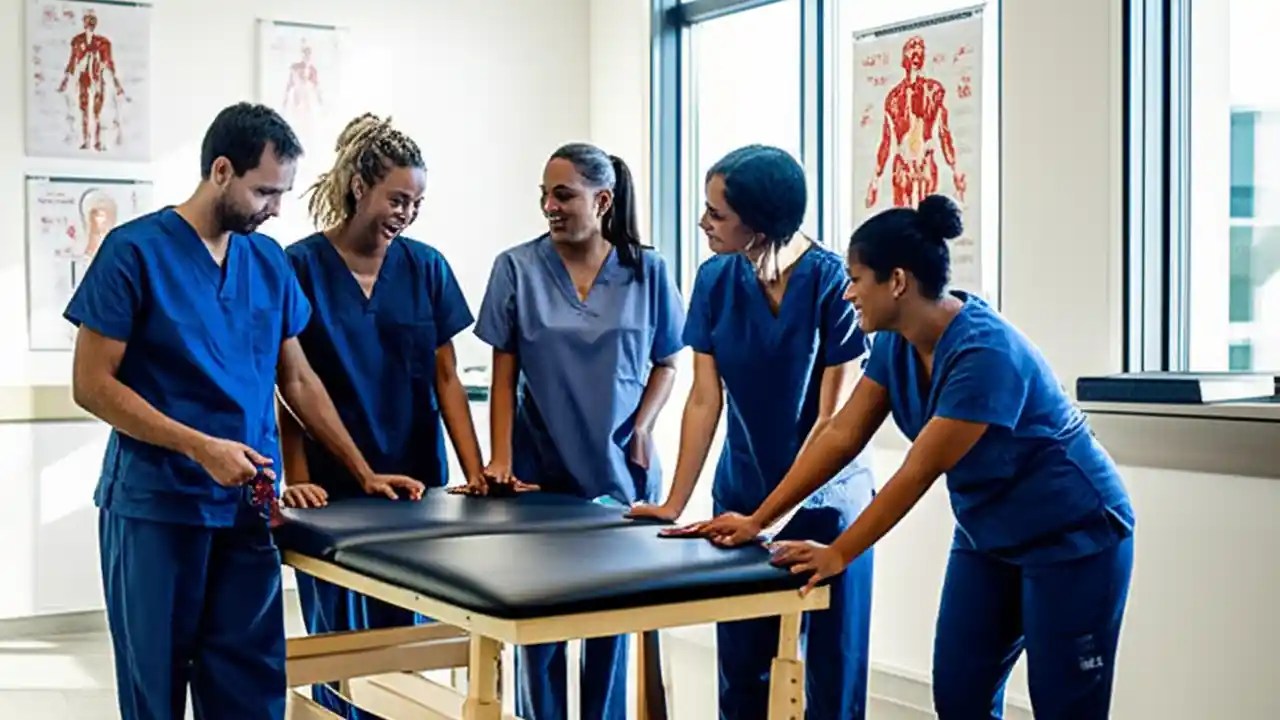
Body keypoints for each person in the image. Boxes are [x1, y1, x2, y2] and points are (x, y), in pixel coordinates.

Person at [667, 195, 1136, 720]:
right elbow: (841, 435)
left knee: (1065, 705)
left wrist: (839, 553)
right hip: (988, 532)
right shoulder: (897, 342)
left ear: (896, 281)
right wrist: (760, 519)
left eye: (856, 279)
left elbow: (918, 472)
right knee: (960, 697)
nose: (847, 292)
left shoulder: (985, 354)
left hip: (1074, 531)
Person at [64, 102, 424, 720]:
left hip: (248, 512)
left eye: (282, 193)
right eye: (265, 191)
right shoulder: (134, 252)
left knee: (250, 688)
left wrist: (361, 471)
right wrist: (199, 446)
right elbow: (91, 385)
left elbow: (298, 379)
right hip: (158, 507)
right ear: (222, 171)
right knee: (155, 688)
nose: (276, 208)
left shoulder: (267, 261)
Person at [627, 145, 876, 719]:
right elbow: (703, 399)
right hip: (741, 493)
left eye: (716, 213)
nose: (702, 223)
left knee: (833, 677)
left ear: (759, 223)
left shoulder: (833, 283)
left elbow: (831, 422)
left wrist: (771, 517)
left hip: (826, 502)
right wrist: (674, 503)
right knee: (743, 672)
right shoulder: (715, 279)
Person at [276, 112, 487, 718]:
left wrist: (474, 472)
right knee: (336, 638)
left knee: (401, 638)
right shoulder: (298, 266)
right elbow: (287, 384)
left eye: (416, 203)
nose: (406, 214)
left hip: (414, 480)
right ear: (359, 185)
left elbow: (447, 379)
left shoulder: (426, 267)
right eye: (397, 199)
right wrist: (297, 477)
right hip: (330, 487)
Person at [473, 142, 686, 720]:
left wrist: (644, 427)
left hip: (621, 475)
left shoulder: (648, 270)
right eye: (545, 195)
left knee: (608, 630)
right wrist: (500, 458)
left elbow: (668, 362)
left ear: (603, 200)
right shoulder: (517, 268)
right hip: (539, 477)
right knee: (538, 633)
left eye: (563, 195)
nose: (550, 206)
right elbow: (502, 372)